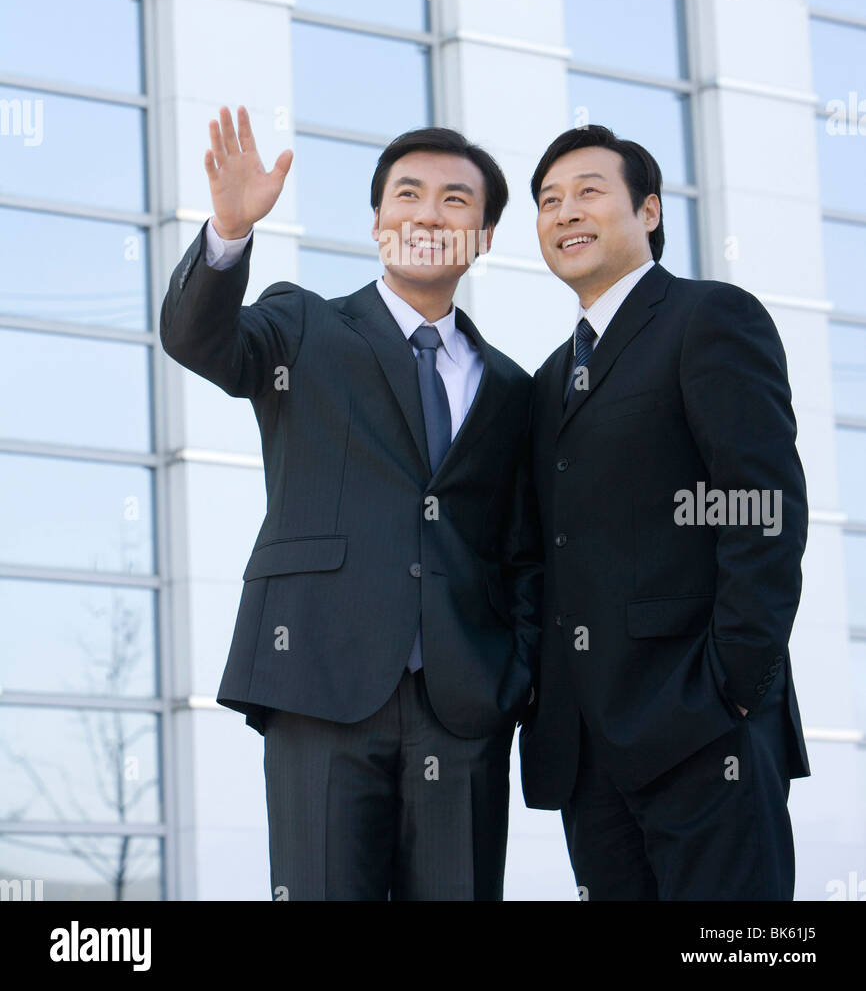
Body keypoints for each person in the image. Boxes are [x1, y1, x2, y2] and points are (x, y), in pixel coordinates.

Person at [160, 105, 541, 900]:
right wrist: (228, 232)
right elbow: (201, 341)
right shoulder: (303, 325)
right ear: (377, 222)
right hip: (320, 683)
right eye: (407, 195)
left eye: (455, 200)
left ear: (486, 236)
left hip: (463, 705)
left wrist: (517, 674)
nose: (427, 213)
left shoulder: (512, 387)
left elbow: (522, 549)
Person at [519, 123, 809, 901]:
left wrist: (733, 683)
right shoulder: (549, 380)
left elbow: (762, 508)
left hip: (703, 725)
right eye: (548, 201)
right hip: (589, 752)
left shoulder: (708, 318)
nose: (565, 212)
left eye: (588, 192)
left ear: (647, 211)